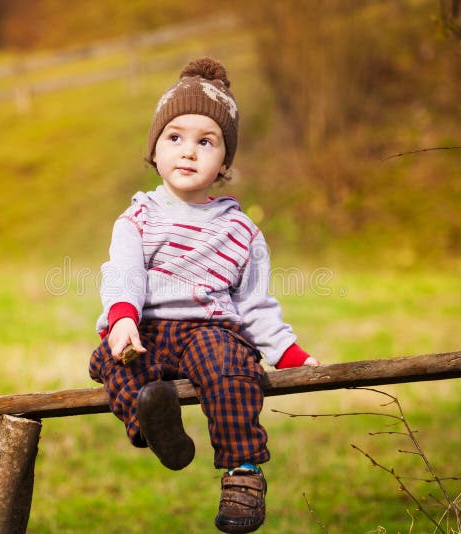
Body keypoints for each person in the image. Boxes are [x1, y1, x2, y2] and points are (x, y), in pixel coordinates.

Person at [88, 57, 319, 533]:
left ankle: (243, 475)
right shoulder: (138, 219)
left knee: (232, 368)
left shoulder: (240, 231)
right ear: (155, 149)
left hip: (207, 330)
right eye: (175, 137)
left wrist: (289, 353)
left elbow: (255, 304)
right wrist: (123, 320)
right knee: (113, 362)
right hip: (144, 329)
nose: (188, 152)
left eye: (205, 141)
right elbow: (123, 273)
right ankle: (155, 424)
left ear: (225, 162)